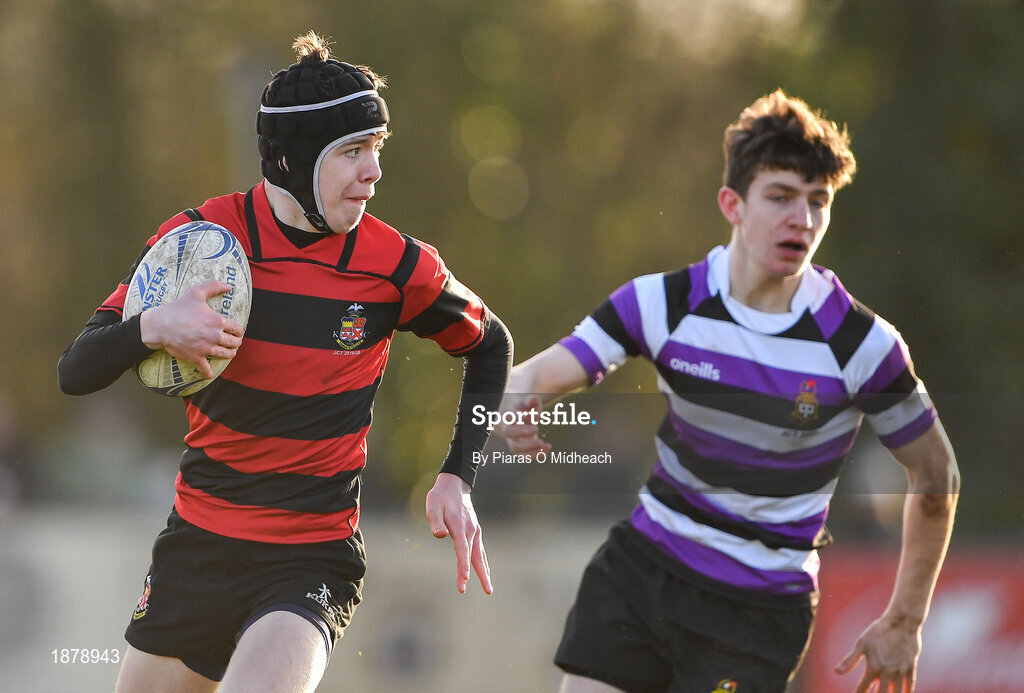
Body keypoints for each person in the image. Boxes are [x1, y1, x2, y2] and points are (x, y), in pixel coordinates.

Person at [58, 31, 511, 693]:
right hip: (198, 549)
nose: (373, 172)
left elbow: (490, 344)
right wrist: (154, 325)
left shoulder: (396, 265)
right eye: (353, 152)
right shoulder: (200, 245)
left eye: (376, 149)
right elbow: (77, 369)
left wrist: (457, 476)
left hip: (310, 558)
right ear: (295, 161)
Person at [497, 90, 959, 693]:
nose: (803, 219)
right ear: (732, 204)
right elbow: (537, 373)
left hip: (757, 614)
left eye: (819, 202)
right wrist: (514, 398)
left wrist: (905, 620)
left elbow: (936, 476)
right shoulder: (662, 303)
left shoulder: (861, 344)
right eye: (781, 197)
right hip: (642, 573)